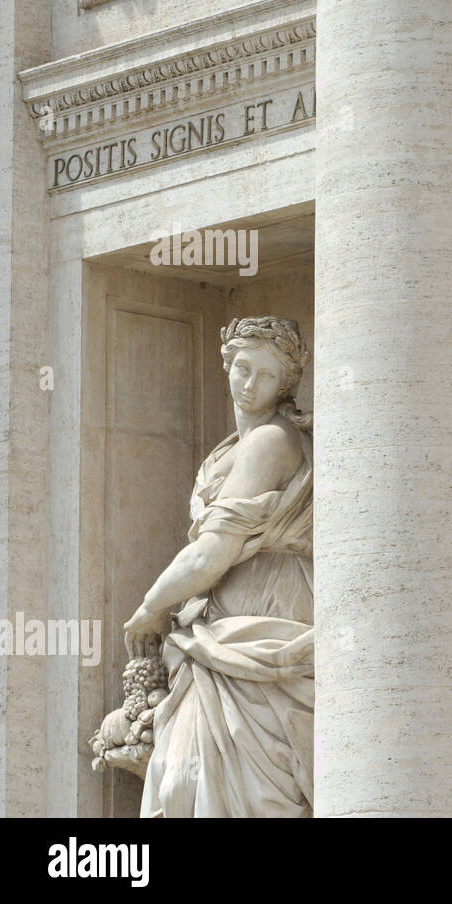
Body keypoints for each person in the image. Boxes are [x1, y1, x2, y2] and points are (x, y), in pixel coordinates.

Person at [123, 316, 314, 817]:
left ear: (286, 383)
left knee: (216, 780)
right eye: (243, 368)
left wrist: (150, 608)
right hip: (215, 631)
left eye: (267, 375)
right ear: (226, 365)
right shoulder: (229, 449)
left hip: (259, 626)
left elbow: (212, 553)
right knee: (184, 776)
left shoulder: (272, 441)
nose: (250, 384)